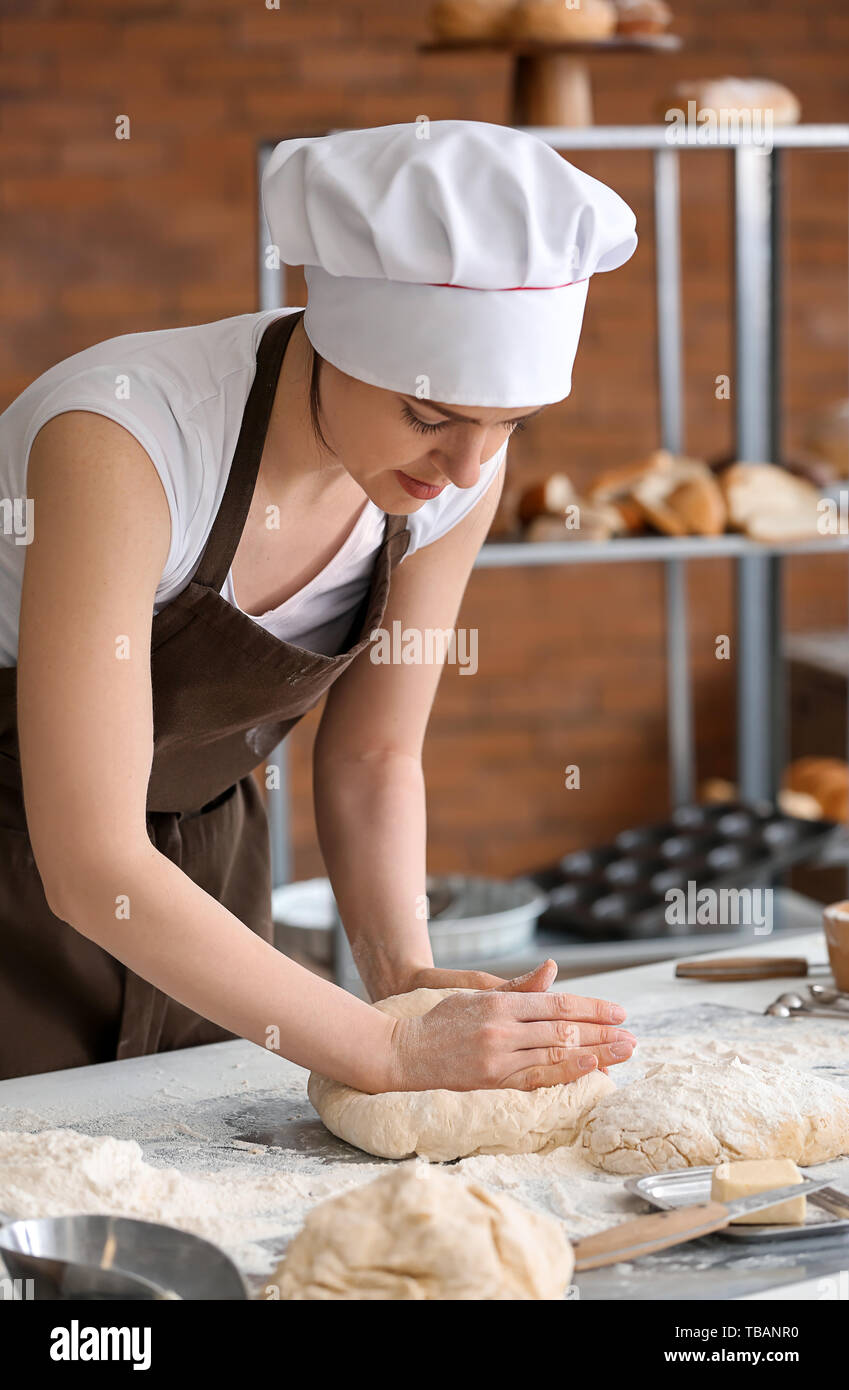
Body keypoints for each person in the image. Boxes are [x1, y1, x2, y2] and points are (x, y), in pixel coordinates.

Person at [0, 120, 638, 1086]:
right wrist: (384, 1050)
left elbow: (377, 755)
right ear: (330, 339)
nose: (466, 467)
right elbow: (90, 859)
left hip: (204, 874)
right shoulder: (124, 441)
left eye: (507, 424)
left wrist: (402, 982)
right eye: (427, 416)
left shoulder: (457, 475)